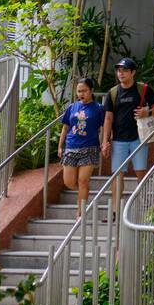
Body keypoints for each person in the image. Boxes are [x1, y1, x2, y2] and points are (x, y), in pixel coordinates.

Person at [101, 57, 154, 203]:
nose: (121, 73)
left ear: (133, 72)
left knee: (140, 172)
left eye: (125, 70)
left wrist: (147, 112)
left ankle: (144, 204)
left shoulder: (143, 89)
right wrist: (104, 141)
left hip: (139, 139)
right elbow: (108, 118)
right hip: (118, 140)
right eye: (119, 70)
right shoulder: (113, 93)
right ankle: (115, 210)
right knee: (117, 175)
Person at [57, 77, 106, 217]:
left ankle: (81, 211)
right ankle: (84, 191)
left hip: (90, 148)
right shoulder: (72, 107)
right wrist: (60, 146)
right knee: (69, 182)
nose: (81, 94)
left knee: (83, 181)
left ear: (91, 91)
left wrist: (104, 143)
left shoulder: (98, 109)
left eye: (84, 91)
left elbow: (105, 127)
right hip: (71, 147)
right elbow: (65, 128)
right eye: (79, 91)